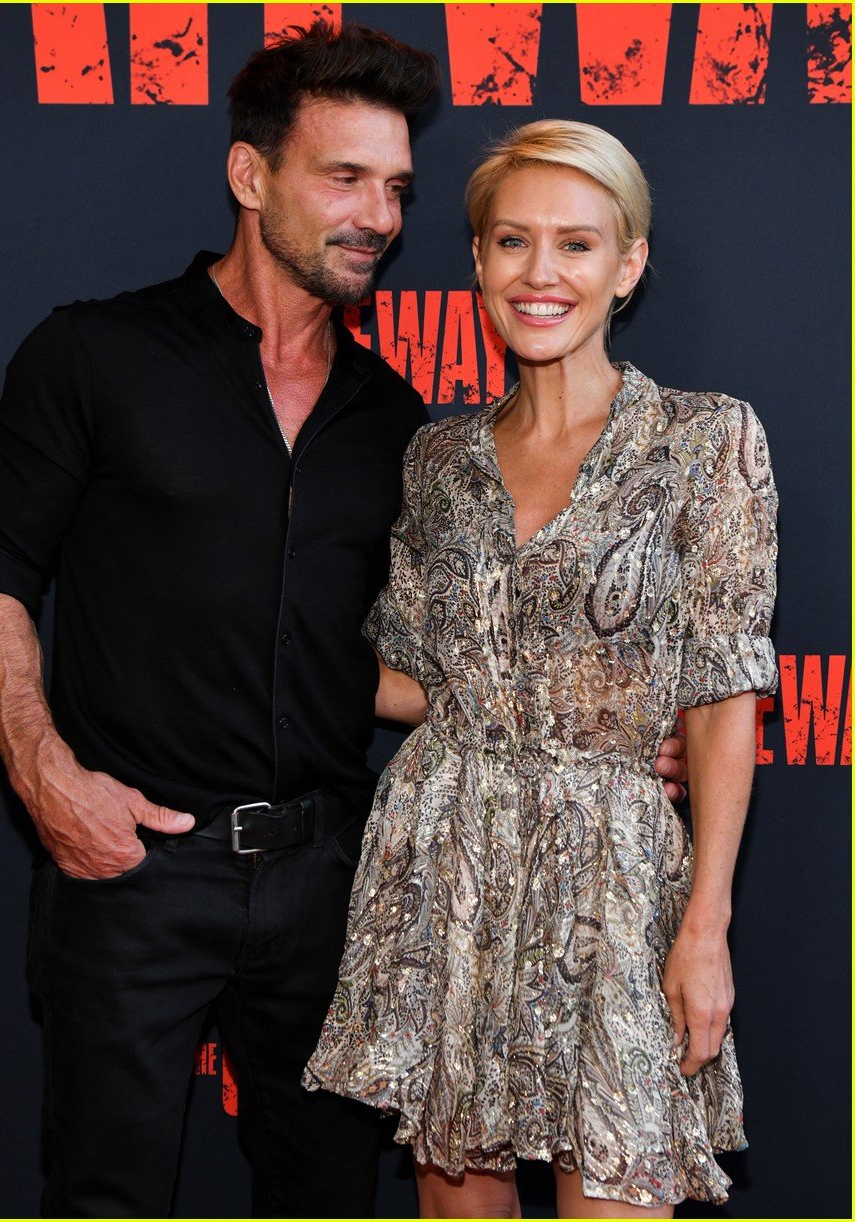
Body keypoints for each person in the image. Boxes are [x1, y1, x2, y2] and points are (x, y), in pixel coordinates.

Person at [0, 21, 686, 1217]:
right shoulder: (95, 353)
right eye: (344, 178)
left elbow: (417, 661)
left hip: (335, 885)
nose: (378, 216)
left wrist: (591, 728)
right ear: (251, 176)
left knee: (329, 1199)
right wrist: (43, 773)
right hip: (134, 869)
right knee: (103, 1196)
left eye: (395, 188)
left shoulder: (397, 422)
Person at [305, 119, 777, 1220]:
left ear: (628, 264)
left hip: (619, 878)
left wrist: (704, 927)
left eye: (576, 243)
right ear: (477, 261)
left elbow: (721, 694)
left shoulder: (704, 442)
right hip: (446, 863)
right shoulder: (437, 459)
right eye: (513, 241)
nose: (540, 273)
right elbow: (412, 674)